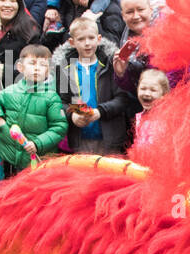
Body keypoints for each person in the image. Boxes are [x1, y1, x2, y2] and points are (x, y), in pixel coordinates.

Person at [51, 16, 135, 155]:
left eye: (91, 38)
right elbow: (61, 102)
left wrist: (100, 112)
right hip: (80, 140)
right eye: (81, 39)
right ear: (72, 42)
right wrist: (73, 115)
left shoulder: (110, 65)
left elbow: (122, 99)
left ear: (99, 38)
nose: (87, 43)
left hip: (111, 139)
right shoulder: (65, 69)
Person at [0, 44, 67, 177]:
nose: (37, 68)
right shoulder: (10, 91)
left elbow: (59, 127)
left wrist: (38, 143)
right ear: (20, 67)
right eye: (32, 63)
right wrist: (0, 121)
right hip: (11, 157)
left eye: (42, 65)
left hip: (38, 161)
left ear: (48, 71)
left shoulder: (51, 97)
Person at [130, 67, 170, 150]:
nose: (147, 93)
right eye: (143, 88)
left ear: (164, 95)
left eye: (153, 90)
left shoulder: (165, 119)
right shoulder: (140, 116)